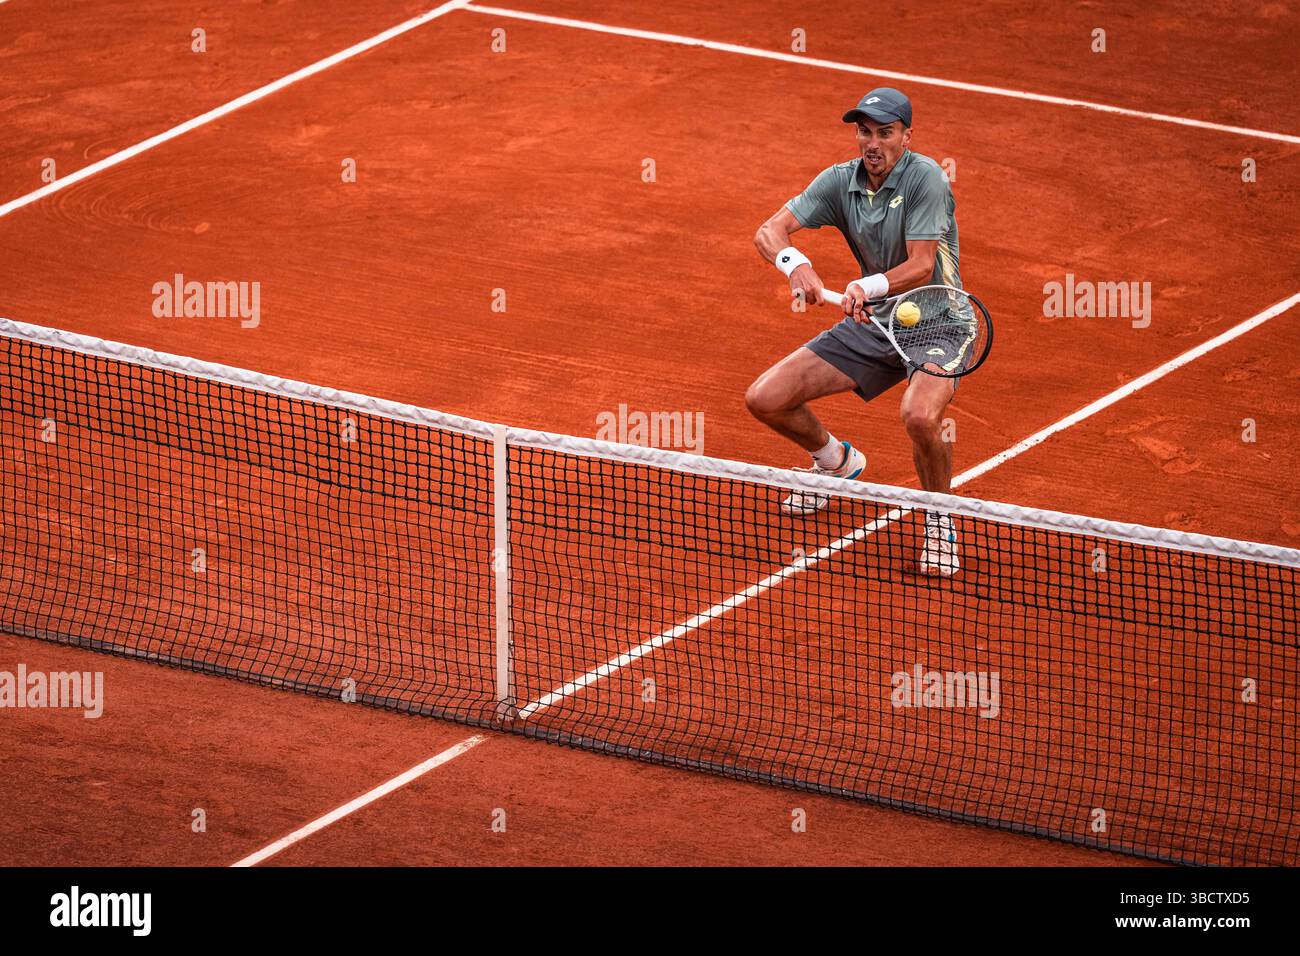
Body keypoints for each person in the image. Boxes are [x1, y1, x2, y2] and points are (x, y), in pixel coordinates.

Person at [748, 87, 968, 576]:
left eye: (885, 133)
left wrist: (864, 285)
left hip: (938, 322)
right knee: (766, 397)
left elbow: (922, 263)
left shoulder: (926, 178)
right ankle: (835, 462)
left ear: (906, 137)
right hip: (874, 321)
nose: (872, 143)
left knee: (918, 415)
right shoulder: (838, 182)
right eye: (864, 132)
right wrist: (795, 264)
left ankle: (941, 517)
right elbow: (770, 231)